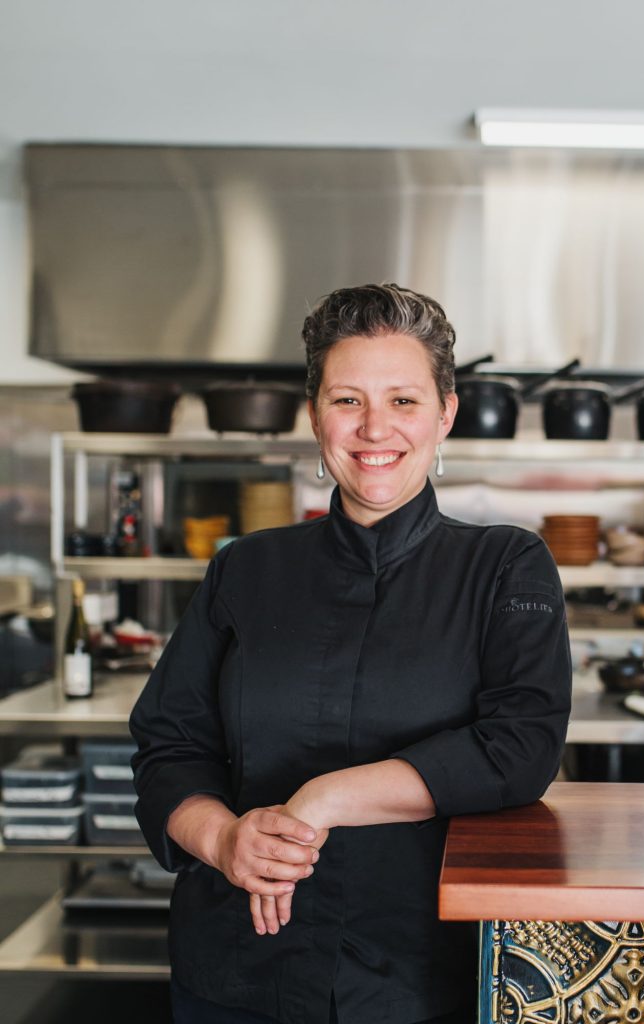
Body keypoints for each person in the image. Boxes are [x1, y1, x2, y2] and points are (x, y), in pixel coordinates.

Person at [130, 283, 572, 1024]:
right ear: (315, 417)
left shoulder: (505, 565)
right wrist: (225, 838)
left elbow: (521, 745)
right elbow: (168, 744)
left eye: (403, 401)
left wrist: (322, 800)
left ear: (446, 415)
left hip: (420, 974)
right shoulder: (246, 568)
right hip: (238, 971)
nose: (375, 429)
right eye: (347, 401)